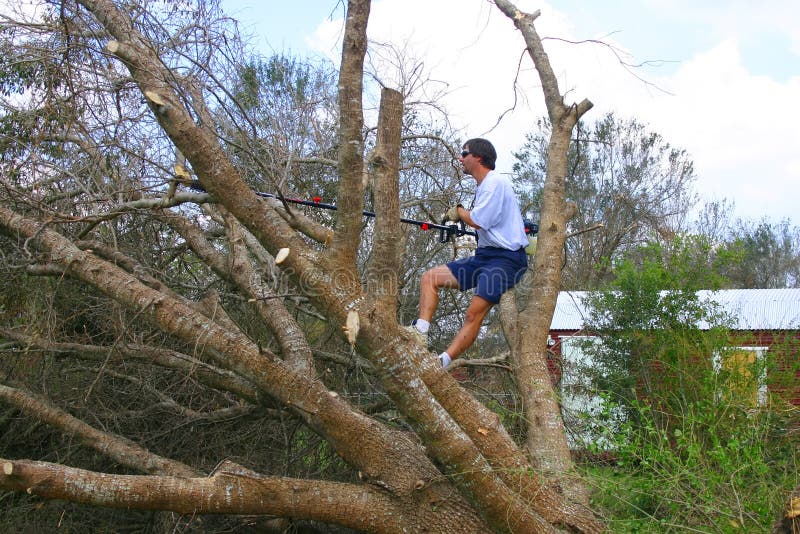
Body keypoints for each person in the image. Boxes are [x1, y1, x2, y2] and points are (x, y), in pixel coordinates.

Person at [405, 138, 529, 367]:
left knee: (473, 314)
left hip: (506, 260)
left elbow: (478, 221)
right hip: (484, 257)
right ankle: (420, 332)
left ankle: (442, 363)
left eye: (464, 153)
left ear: (478, 157)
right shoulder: (483, 187)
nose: (460, 158)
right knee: (429, 278)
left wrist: (459, 211)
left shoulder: (495, 182)